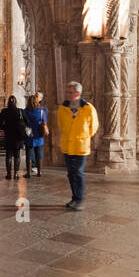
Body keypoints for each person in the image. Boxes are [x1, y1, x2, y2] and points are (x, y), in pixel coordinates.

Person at [55, 81, 99, 211]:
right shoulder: (63, 108)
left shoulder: (88, 108)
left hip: (80, 145)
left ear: (78, 93)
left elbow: (94, 126)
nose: (67, 94)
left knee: (78, 172)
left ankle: (79, 199)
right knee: (70, 173)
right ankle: (74, 197)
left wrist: (83, 136)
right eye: (67, 91)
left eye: (70, 92)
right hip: (68, 145)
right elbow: (61, 124)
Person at [0, 95, 27, 179]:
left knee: (8, 155)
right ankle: (16, 174)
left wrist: (5, 128)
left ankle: (9, 174)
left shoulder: (4, 111)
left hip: (8, 136)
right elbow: (27, 122)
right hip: (18, 137)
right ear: (16, 102)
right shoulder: (20, 111)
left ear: (8, 102)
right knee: (17, 155)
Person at [23, 92, 48, 177]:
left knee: (29, 155)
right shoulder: (41, 112)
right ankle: (39, 172)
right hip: (39, 135)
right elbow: (44, 122)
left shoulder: (25, 111)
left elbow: (23, 123)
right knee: (39, 154)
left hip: (29, 134)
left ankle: (29, 173)